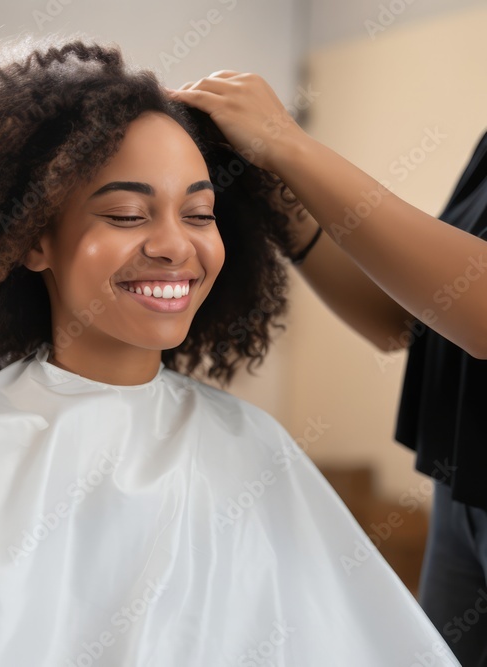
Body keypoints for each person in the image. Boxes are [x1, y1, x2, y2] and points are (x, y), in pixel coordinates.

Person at [0, 40, 460, 665]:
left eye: (200, 212)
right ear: (32, 239)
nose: (175, 245)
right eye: (126, 214)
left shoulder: (253, 451)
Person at [167, 71, 487, 665]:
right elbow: (402, 319)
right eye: (126, 213)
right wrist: (275, 188)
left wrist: (287, 142)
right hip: (462, 486)